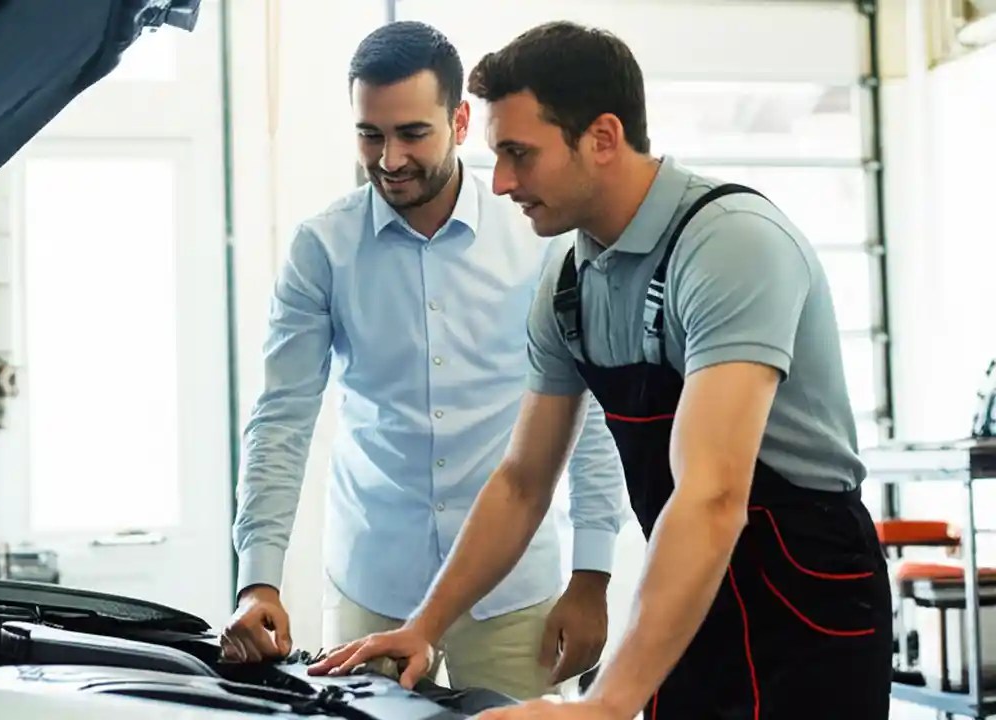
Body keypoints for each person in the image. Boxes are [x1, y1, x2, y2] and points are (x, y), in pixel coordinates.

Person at [308, 20, 893, 720]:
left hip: (805, 600)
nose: (500, 184)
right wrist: (424, 626)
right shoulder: (566, 279)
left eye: (520, 154)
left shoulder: (731, 245)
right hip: (687, 596)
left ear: (604, 138)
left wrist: (609, 702)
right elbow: (523, 483)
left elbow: (711, 494)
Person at [222, 21, 627, 702]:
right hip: (371, 586)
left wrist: (593, 573)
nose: (389, 159)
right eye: (370, 135)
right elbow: (281, 419)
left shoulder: (538, 238)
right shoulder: (323, 249)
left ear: (461, 120)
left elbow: (590, 413)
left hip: (512, 592)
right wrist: (258, 576)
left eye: (412, 133)